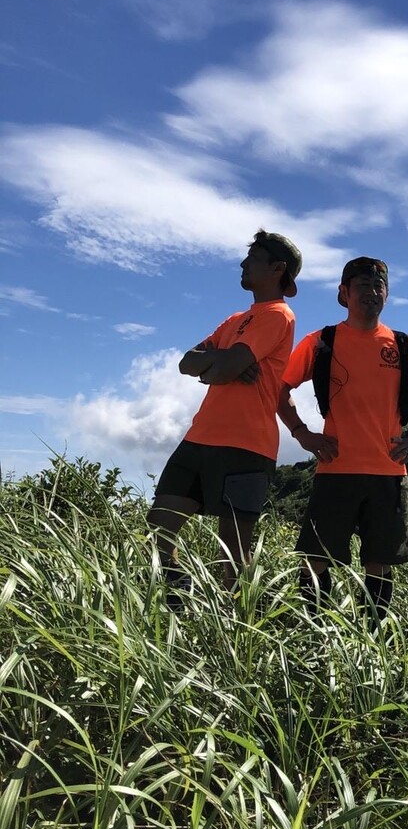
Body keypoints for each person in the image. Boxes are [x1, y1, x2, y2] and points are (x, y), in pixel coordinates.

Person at [278, 255, 408, 620]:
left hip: (388, 473)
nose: (371, 292)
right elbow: (280, 390)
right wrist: (302, 434)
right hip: (335, 469)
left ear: (387, 293)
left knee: (380, 563)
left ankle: (371, 636)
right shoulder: (321, 342)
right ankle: (316, 634)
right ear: (344, 293)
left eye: (378, 286)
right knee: (315, 559)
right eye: (362, 286)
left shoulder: (404, 345)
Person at [149, 230, 301, 600]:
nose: (243, 264)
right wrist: (222, 362)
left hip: (246, 445)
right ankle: (181, 600)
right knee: (159, 530)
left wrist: (220, 364)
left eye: (254, 258)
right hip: (199, 439)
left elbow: (220, 370)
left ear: (277, 269)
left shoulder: (278, 315)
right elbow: (186, 362)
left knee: (233, 553)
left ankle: (233, 625)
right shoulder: (235, 319)